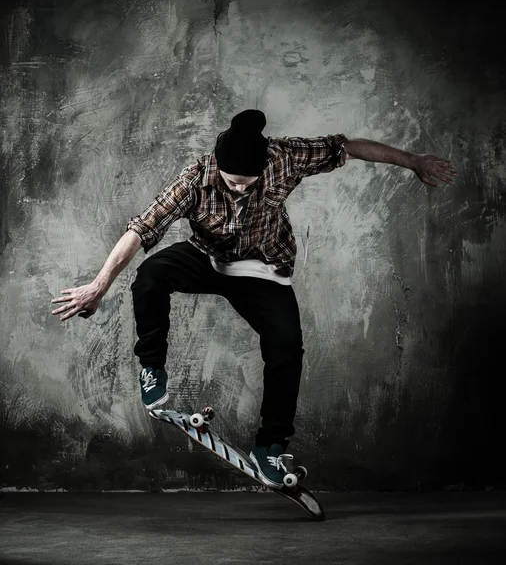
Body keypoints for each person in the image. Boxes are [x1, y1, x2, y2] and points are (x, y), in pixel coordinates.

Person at [51, 109, 457, 488]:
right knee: (150, 275)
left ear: (264, 165)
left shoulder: (284, 156)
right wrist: (98, 286)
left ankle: (271, 448)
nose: (240, 190)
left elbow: (347, 146)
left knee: (287, 349)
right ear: (218, 165)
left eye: (248, 182)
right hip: (207, 257)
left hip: (262, 269)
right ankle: (153, 368)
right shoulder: (196, 176)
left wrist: (414, 161)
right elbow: (142, 228)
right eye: (232, 183)